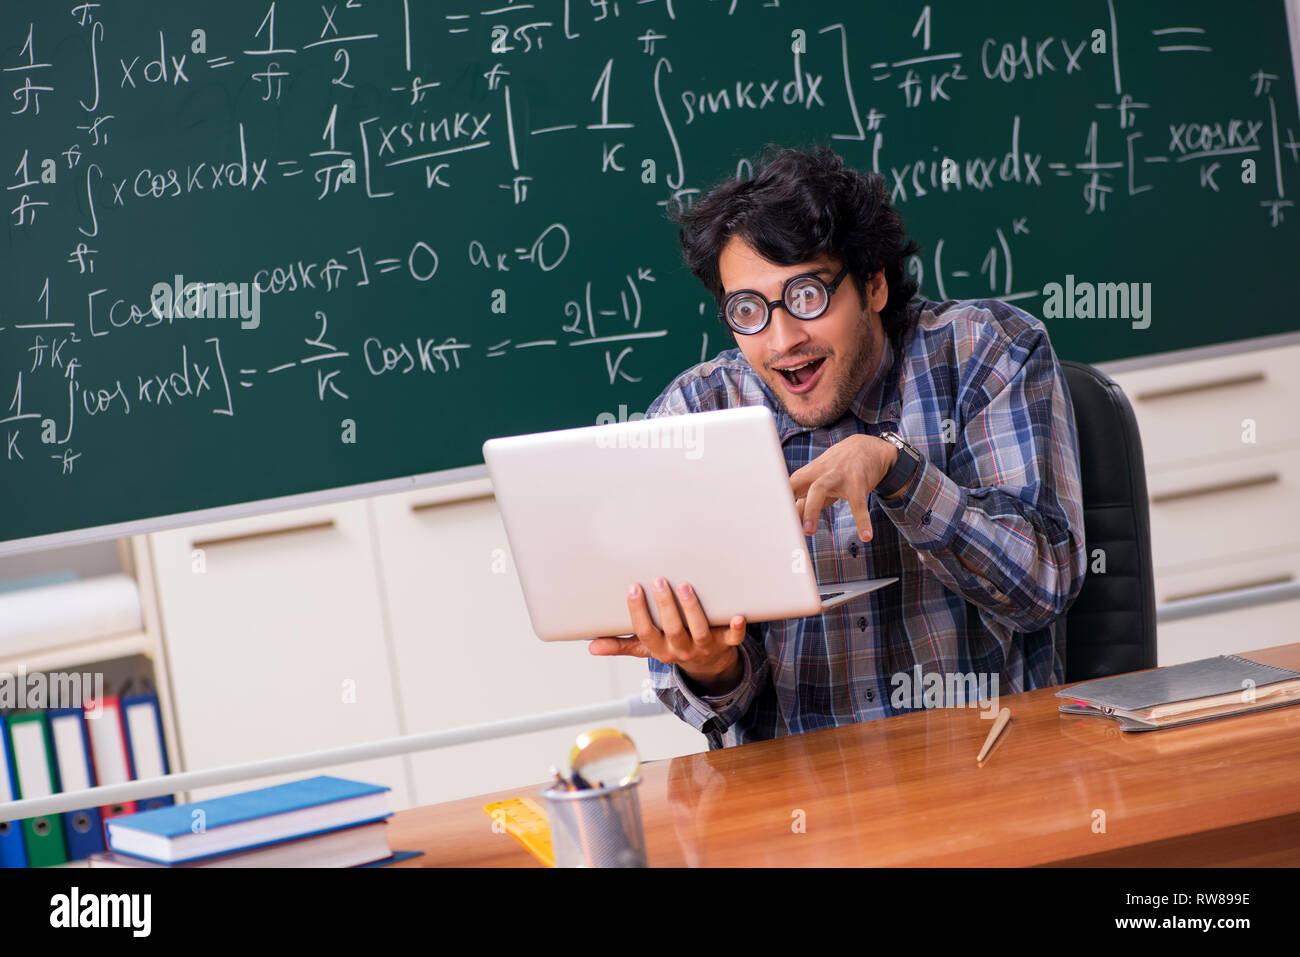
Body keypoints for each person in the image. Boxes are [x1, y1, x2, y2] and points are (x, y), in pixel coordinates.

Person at [588, 145, 1087, 749]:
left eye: (806, 297)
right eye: (748, 309)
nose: (783, 340)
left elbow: (1043, 587)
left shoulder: (987, 352)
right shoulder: (695, 416)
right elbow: (717, 703)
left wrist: (897, 469)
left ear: (873, 284)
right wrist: (708, 664)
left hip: (982, 763)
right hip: (792, 800)